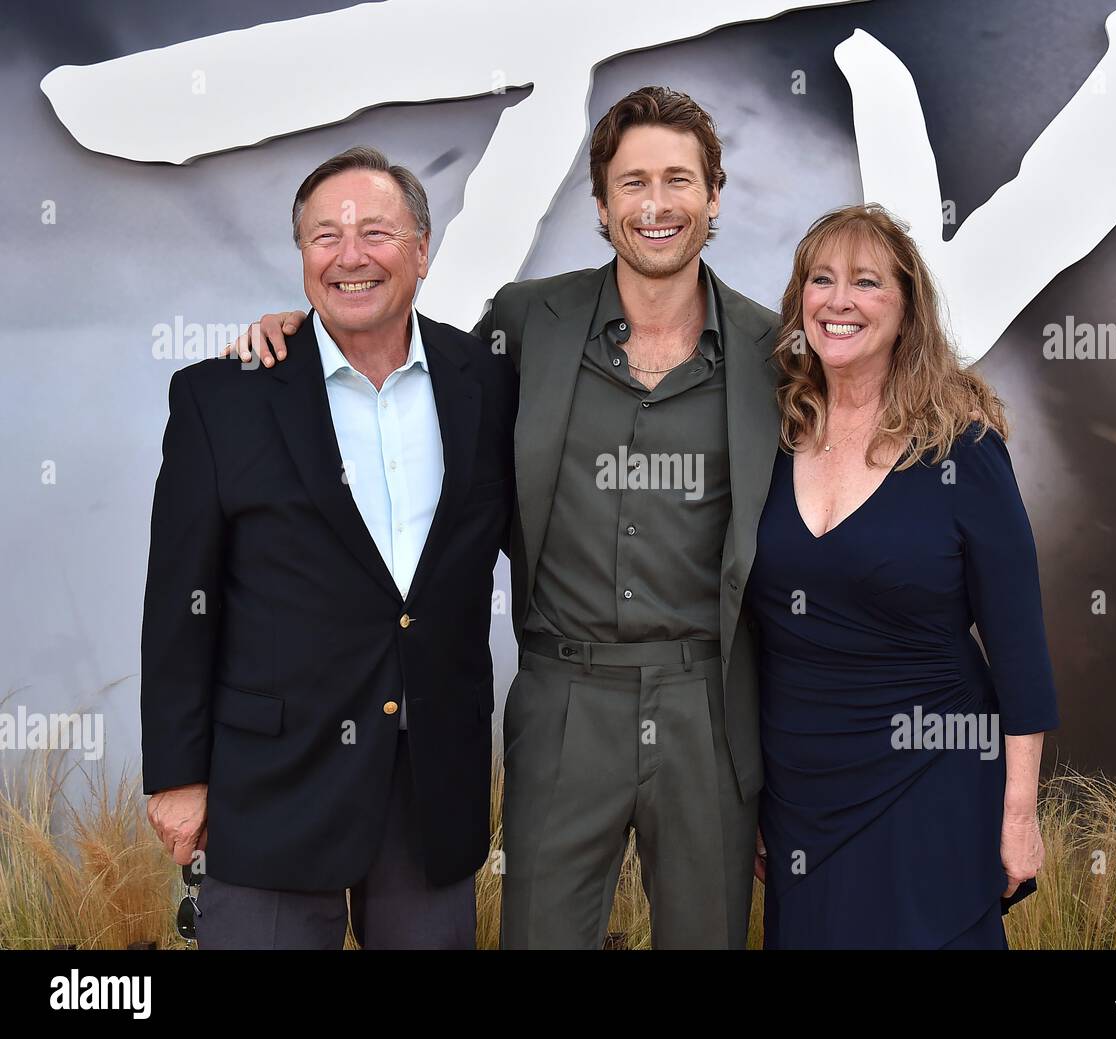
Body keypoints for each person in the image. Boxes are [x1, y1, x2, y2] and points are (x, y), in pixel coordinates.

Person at [230, 87, 782, 949]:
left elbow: (865, 425)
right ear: (600, 206)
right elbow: (412, 364)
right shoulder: (530, 323)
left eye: (679, 180)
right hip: (564, 695)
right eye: (632, 182)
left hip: (706, 703)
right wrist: (308, 340)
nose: (656, 204)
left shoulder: (771, 350)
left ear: (714, 195)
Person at [142, 146, 517, 948]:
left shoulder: (485, 381)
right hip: (273, 785)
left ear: (422, 250)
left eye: (375, 232)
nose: (350, 256)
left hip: (429, 782)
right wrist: (177, 774)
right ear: (302, 257)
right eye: (324, 236)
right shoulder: (224, 395)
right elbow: (180, 599)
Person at [746, 204, 1059, 948]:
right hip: (802, 790)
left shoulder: (963, 446)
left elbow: (1019, 649)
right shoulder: (771, 433)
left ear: (907, 306)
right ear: (800, 303)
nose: (840, 300)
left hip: (934, 776)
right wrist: (753, 796)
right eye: (820, 280)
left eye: (866, 282)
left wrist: (1019, 813)